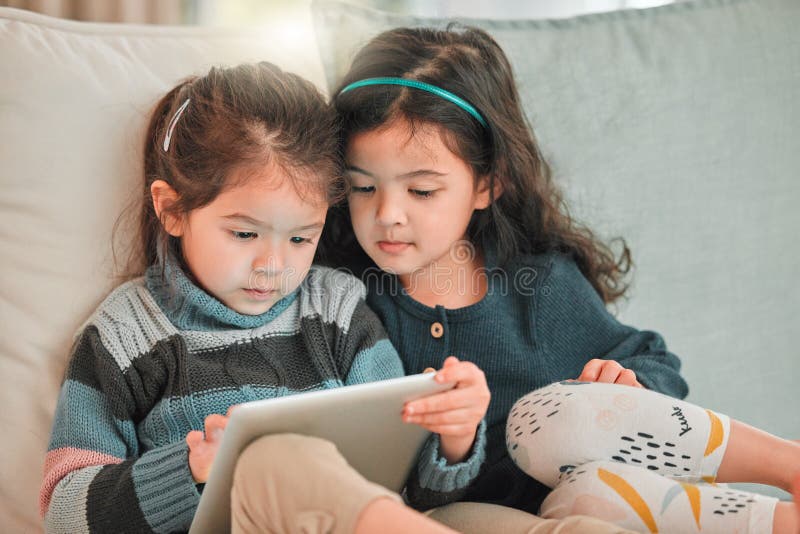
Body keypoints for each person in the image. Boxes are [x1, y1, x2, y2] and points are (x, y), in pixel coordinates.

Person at [317, 25, 800, 533]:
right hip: (463, 517)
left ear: (488, 183)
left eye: (421, 191)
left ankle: (782, 489)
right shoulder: (340, 301)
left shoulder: (537, 287)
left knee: (570, 447)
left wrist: (626, 383)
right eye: (363, 187)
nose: (387, 215)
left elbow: (653, 359)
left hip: (579, 492)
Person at [38, 61, 494, 534]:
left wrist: (453, 434)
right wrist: (191, 470)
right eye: (244, 233)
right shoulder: (124, 336)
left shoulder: (336, 312)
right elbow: (63, 514)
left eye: (300, 239)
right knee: (268, 458)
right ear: (172, 210)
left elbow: (410, 491)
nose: (273, 266)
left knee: (485, 520)